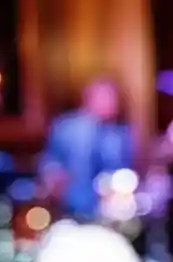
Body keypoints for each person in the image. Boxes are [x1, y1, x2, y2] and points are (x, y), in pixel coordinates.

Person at [40, 78, 134, 220]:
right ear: (89, 99)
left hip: (106, 212)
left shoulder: (120, 136)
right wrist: (54, 179)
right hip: (67, 209)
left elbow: (122, 173)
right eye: (105, 97)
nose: (110, 103)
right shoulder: (65, 128)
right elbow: (49, 163)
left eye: (113, 99)